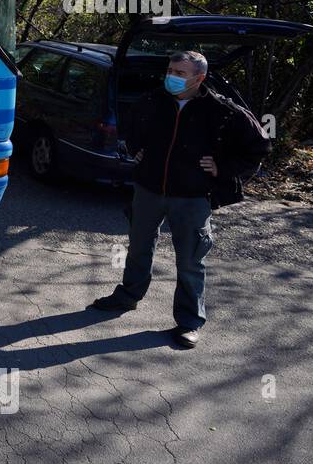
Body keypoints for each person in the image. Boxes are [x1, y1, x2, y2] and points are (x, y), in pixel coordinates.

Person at [90, 50, 270, 348]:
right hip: (148, 189)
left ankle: (189, 322)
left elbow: (258, 146)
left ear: (199, 78)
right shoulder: (152, 100)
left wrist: (223, 169)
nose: (171, 76)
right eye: (170, 70)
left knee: (190, 261)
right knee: (138, 248)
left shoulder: (222, 110)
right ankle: (128, 296)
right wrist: (136, 148)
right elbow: (131, 126)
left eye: (180, 73)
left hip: (192, 196)